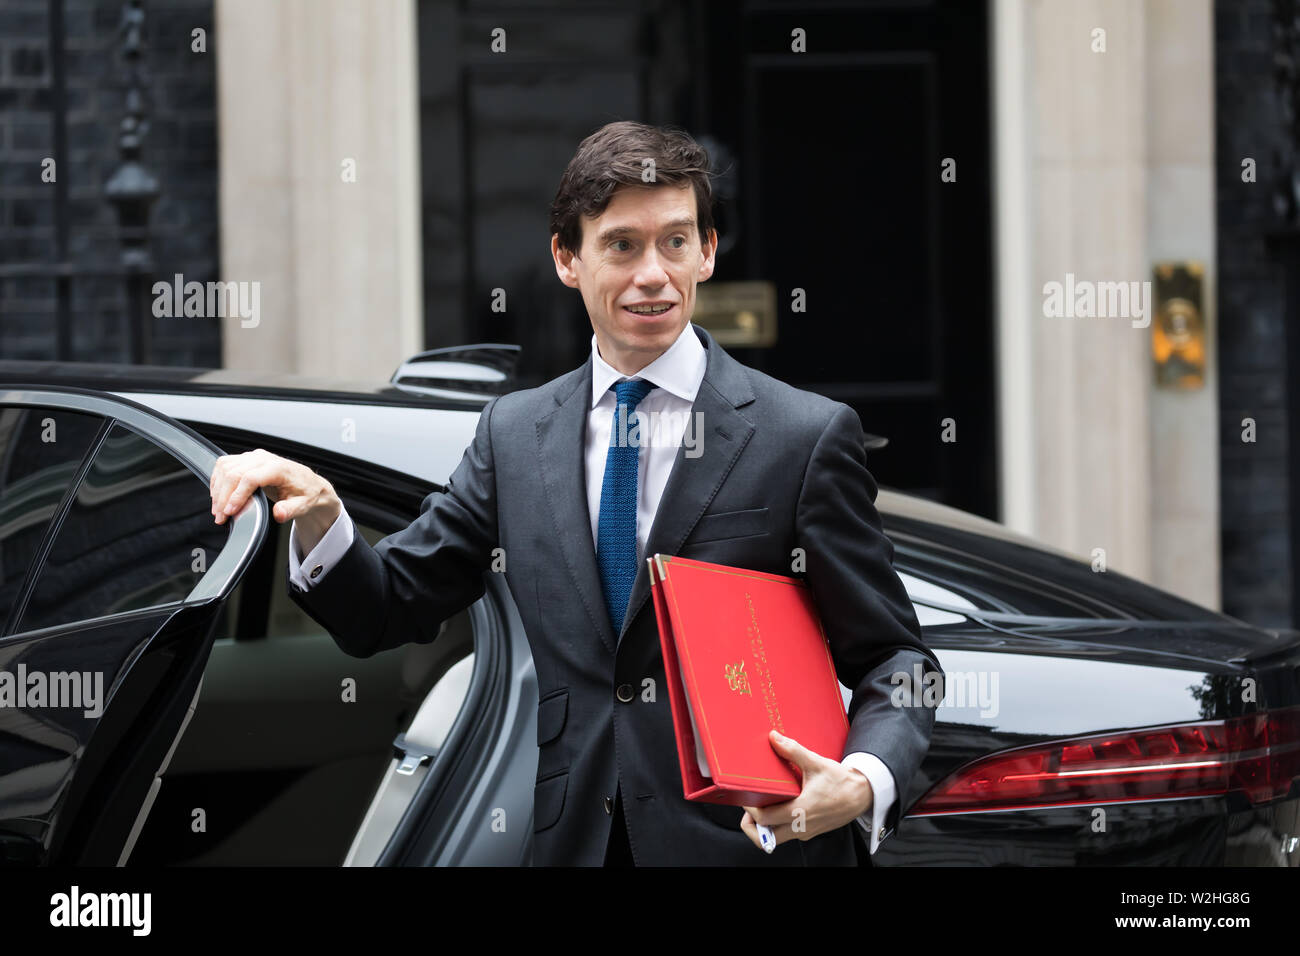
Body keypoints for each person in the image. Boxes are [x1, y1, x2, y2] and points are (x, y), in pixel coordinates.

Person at [209, 121, 944, 866]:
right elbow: (384, 606)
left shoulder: (801, 435)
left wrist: (860, 781)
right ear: (568, 258)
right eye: (623, 245)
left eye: (676, 242)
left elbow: (899, 661)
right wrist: (324, 519)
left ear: (709, 252)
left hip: (758, 847)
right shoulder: (514, 435)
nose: (653, 273)